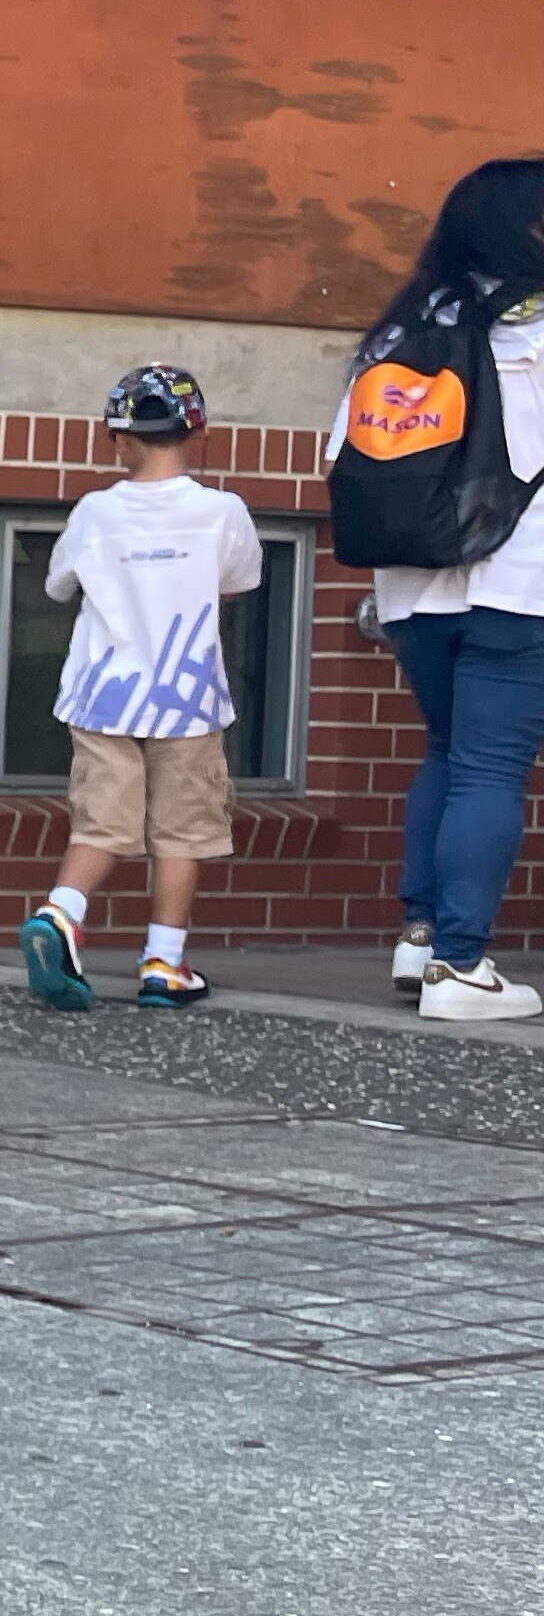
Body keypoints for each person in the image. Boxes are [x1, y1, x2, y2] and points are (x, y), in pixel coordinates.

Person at [333, 160, 544, 1025]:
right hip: (520, 575)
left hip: (414, 583)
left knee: (447, 753)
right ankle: (461, 967)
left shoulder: (401, 330)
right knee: (491, 765)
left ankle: (419, 941)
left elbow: (343, 457)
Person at [19, 367, 262, 1014]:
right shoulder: (222, 512)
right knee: (183, 833)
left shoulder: (96, 512)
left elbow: (57, 588)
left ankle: (61, 912)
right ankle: (164, 963)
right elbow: (238, 583)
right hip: (186, 698)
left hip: (104, 695)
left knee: (102, 822)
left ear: (116, 440)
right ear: (198, 432)